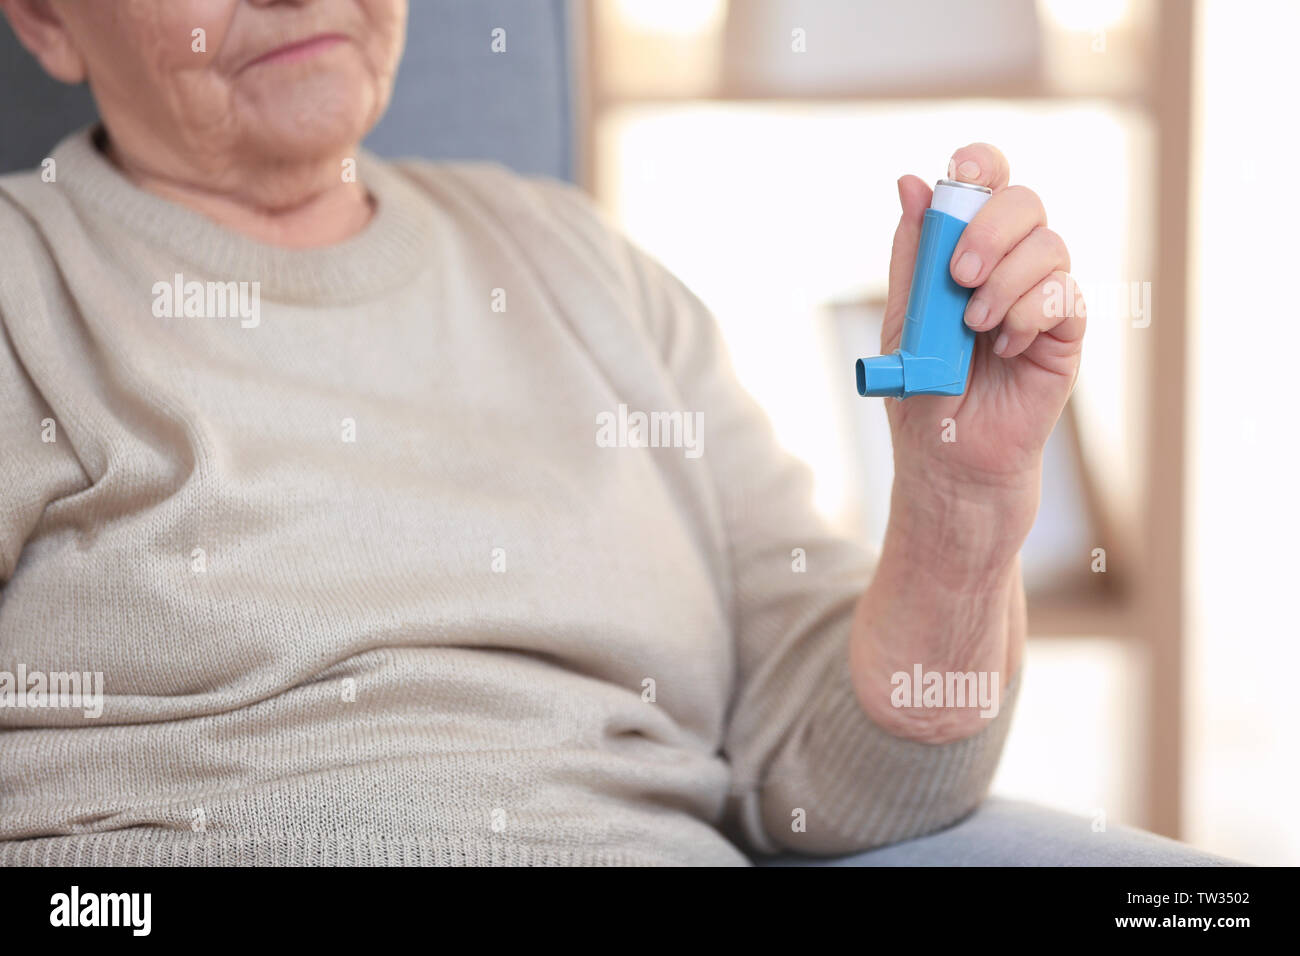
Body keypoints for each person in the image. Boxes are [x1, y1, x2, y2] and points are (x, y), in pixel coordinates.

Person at [0, 0, 1092, 866]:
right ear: (47, 18)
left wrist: (961, 510)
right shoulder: (22, 288)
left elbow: (849, 775)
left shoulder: (585, 269)